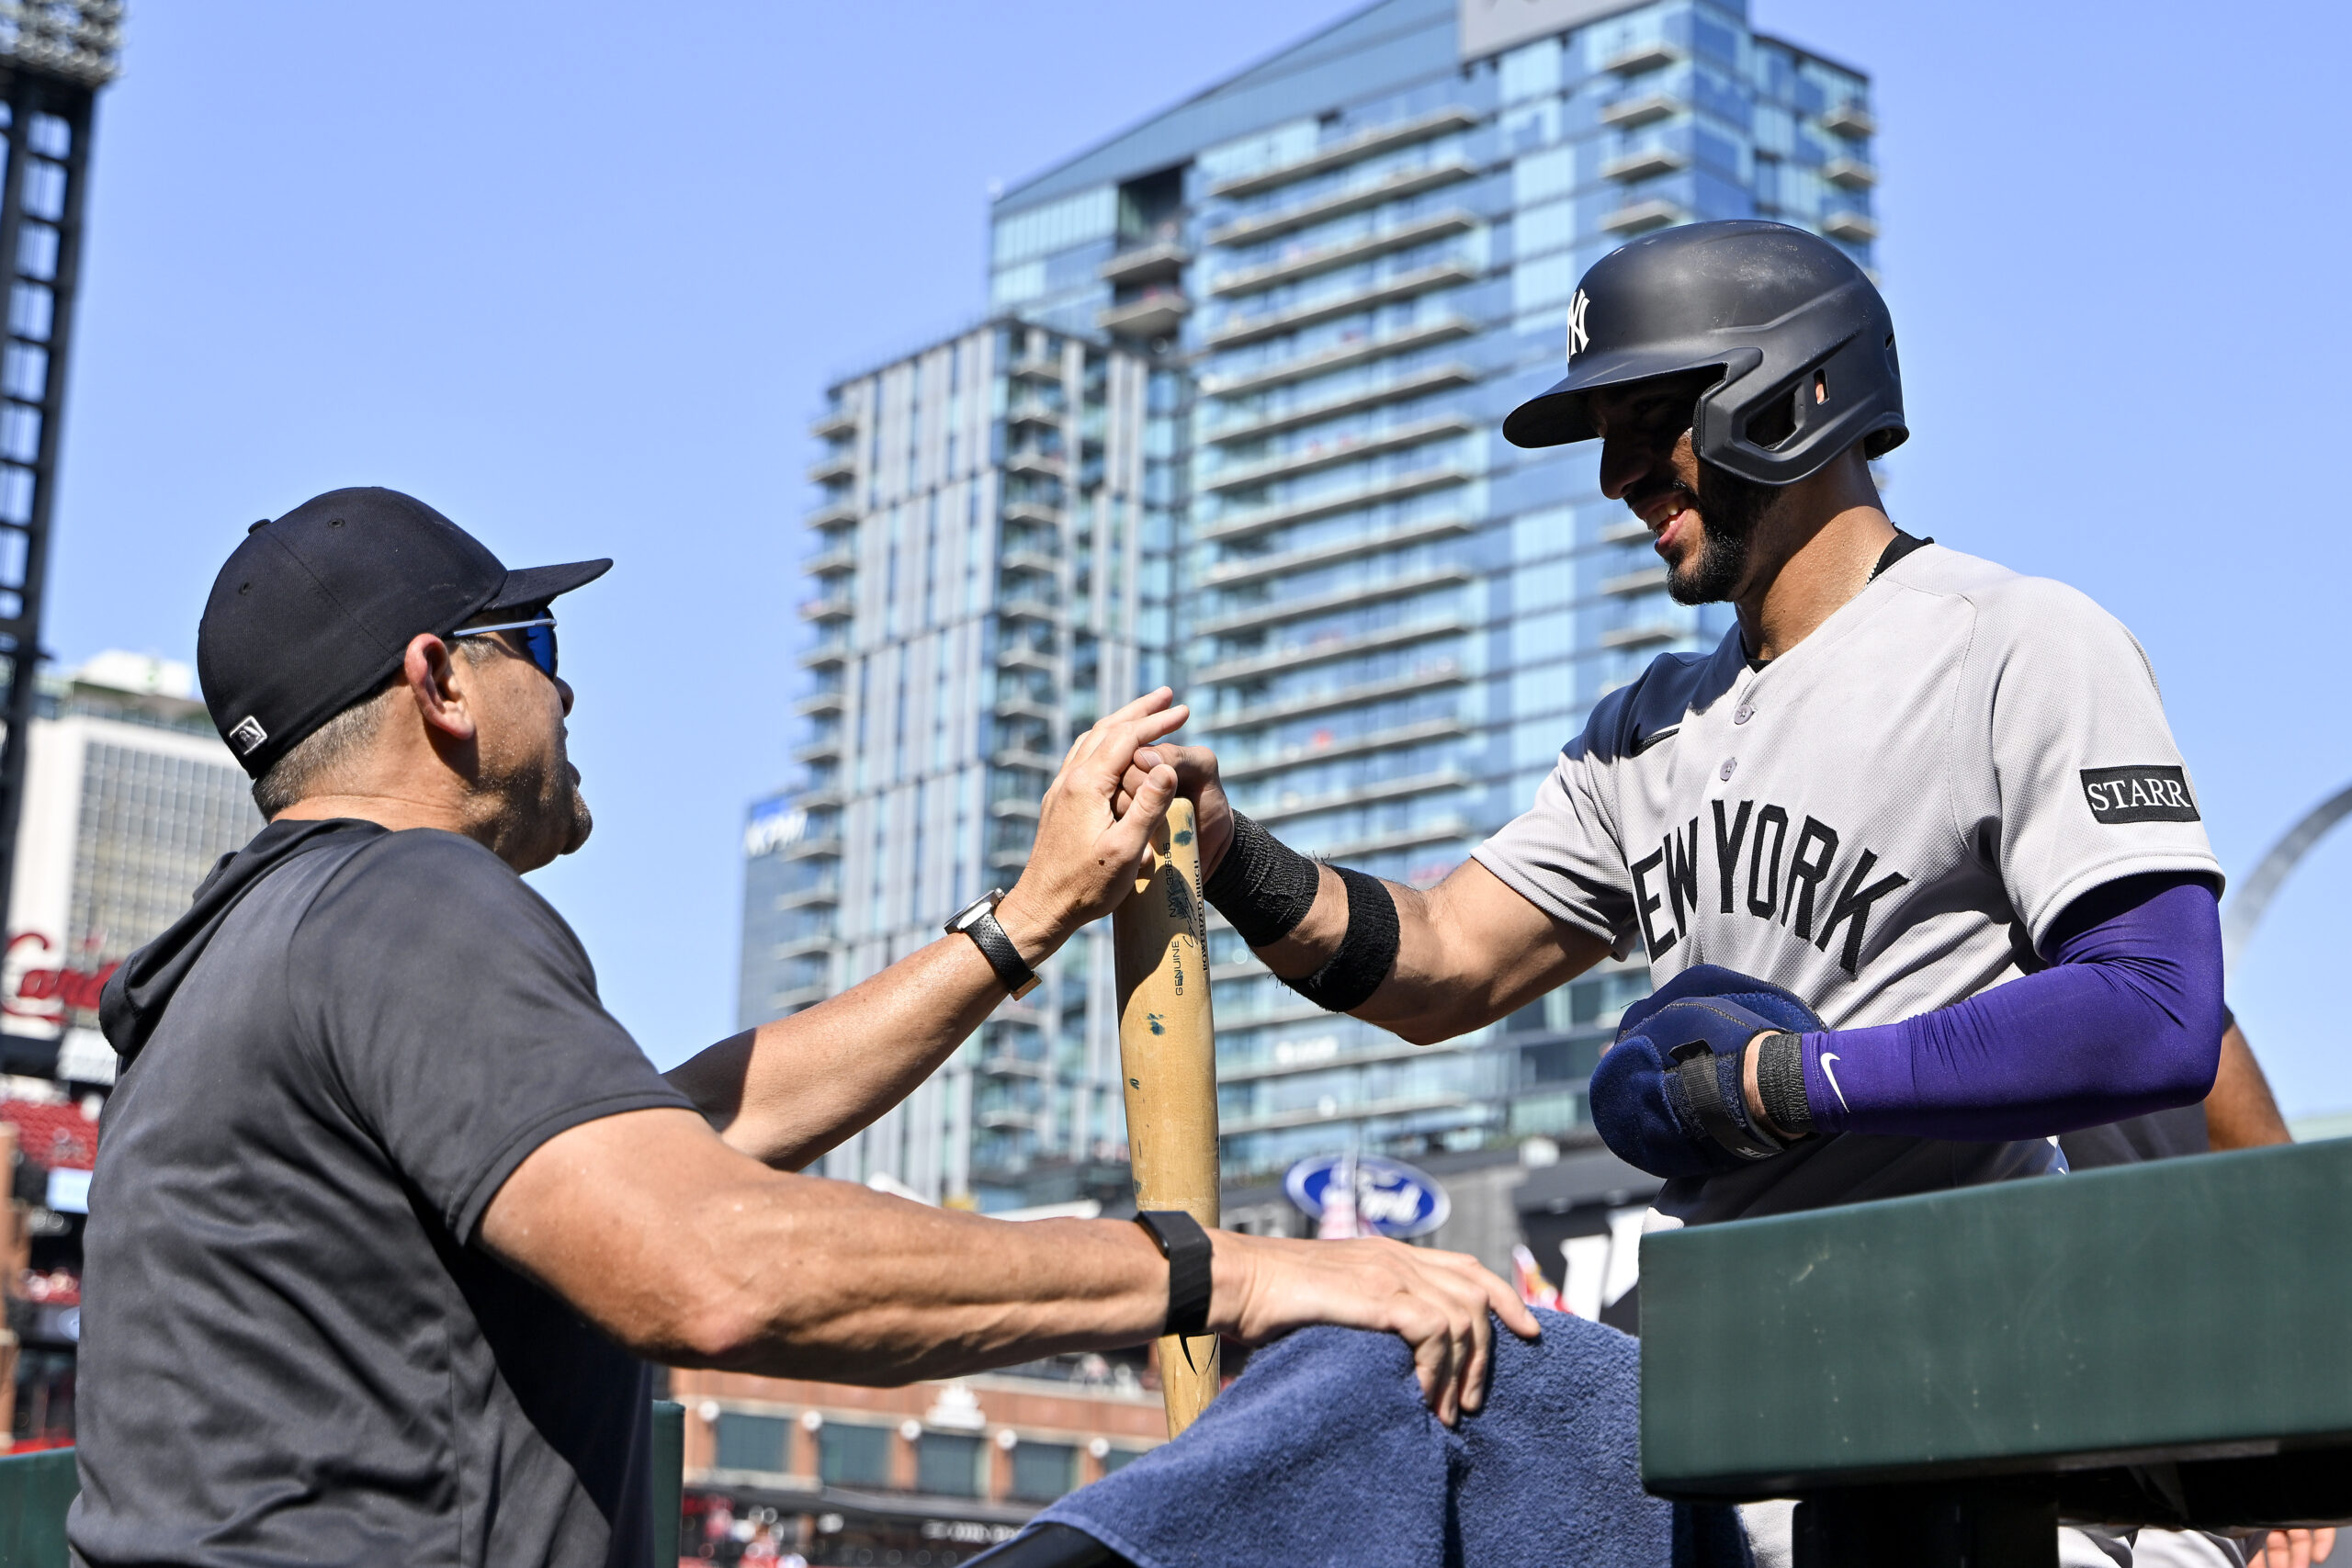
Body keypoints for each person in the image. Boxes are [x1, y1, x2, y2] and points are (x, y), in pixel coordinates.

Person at [71, 487, 1537, 1568]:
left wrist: (1023, 922)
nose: (567, 684)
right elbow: (714, 1264)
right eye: (535, 640)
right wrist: (1233, 1272)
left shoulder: (241, 959)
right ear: (440, 683)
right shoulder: (411, 900)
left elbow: (690, 1135)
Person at [1125, 221, 2260, 1565]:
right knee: (1368, 1377)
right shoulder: (1645, 729)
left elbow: (2155, 1011)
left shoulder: (2014, 641)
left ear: (1796, 392)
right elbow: (1437, 963)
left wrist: (1790, 1082)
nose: (1615, 476)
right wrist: (1232, 852)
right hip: (1729, 1388)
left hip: (1967, 1384)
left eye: (1648, 422)